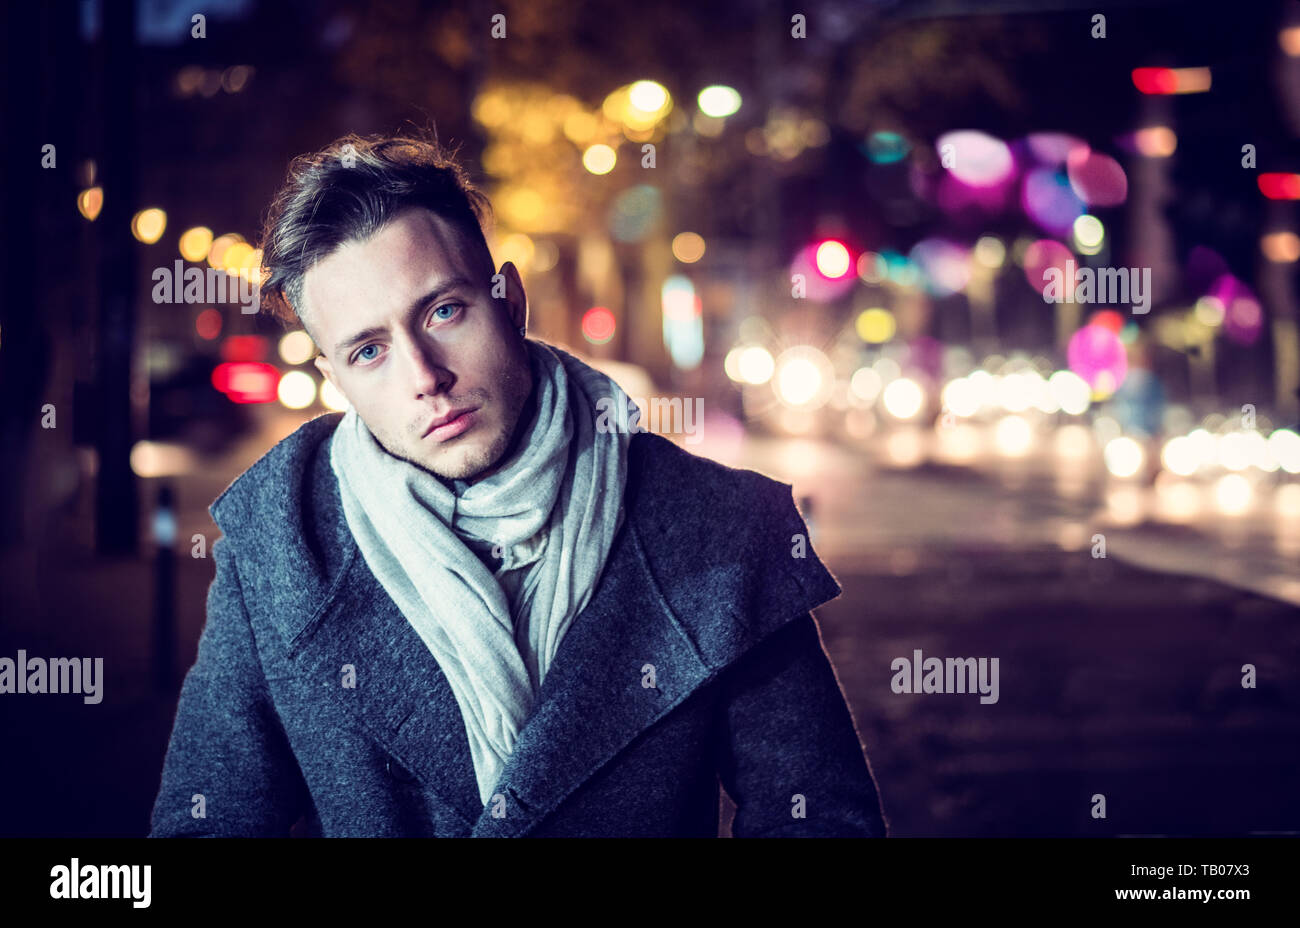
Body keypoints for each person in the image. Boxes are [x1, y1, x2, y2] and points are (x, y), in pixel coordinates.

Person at [149, 132, 888, 838]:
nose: (425, 379)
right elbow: (208, 820)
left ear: (508, 300)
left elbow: (816, 816)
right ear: (336, 377)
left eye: (444, 311)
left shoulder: (720, 524)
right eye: (369, 350)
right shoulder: (279, 546)